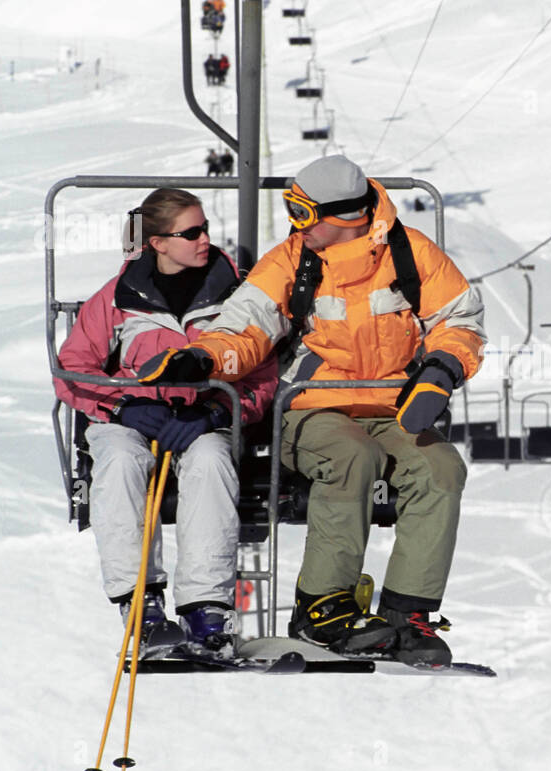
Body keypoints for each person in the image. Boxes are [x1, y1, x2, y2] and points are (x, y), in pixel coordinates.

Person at [137, 156, 485, 666]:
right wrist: (205, 358)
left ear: (341, 216)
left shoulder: (411, 254)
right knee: (351, 456)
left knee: (441, 467)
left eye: (302, 214)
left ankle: (405, 614)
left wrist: (441, 369)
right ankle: (321, 605)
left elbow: (460, 318)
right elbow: (246, 328)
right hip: (312, 406)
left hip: (395, 406)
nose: (295, 226)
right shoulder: (292, 262)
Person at [55, 189, 277, 655]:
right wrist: (123, 406)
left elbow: (263, 375)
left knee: (213, 460)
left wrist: (219, 411)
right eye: (191, 232)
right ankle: (141, 603)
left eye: (206, 230)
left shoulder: (235, 296)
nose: (205, 240)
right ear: (157, 242)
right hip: (131, 415)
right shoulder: (118, 299)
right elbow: (72, 369)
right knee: (116, 461)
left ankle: (205, 607)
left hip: (202, 416)